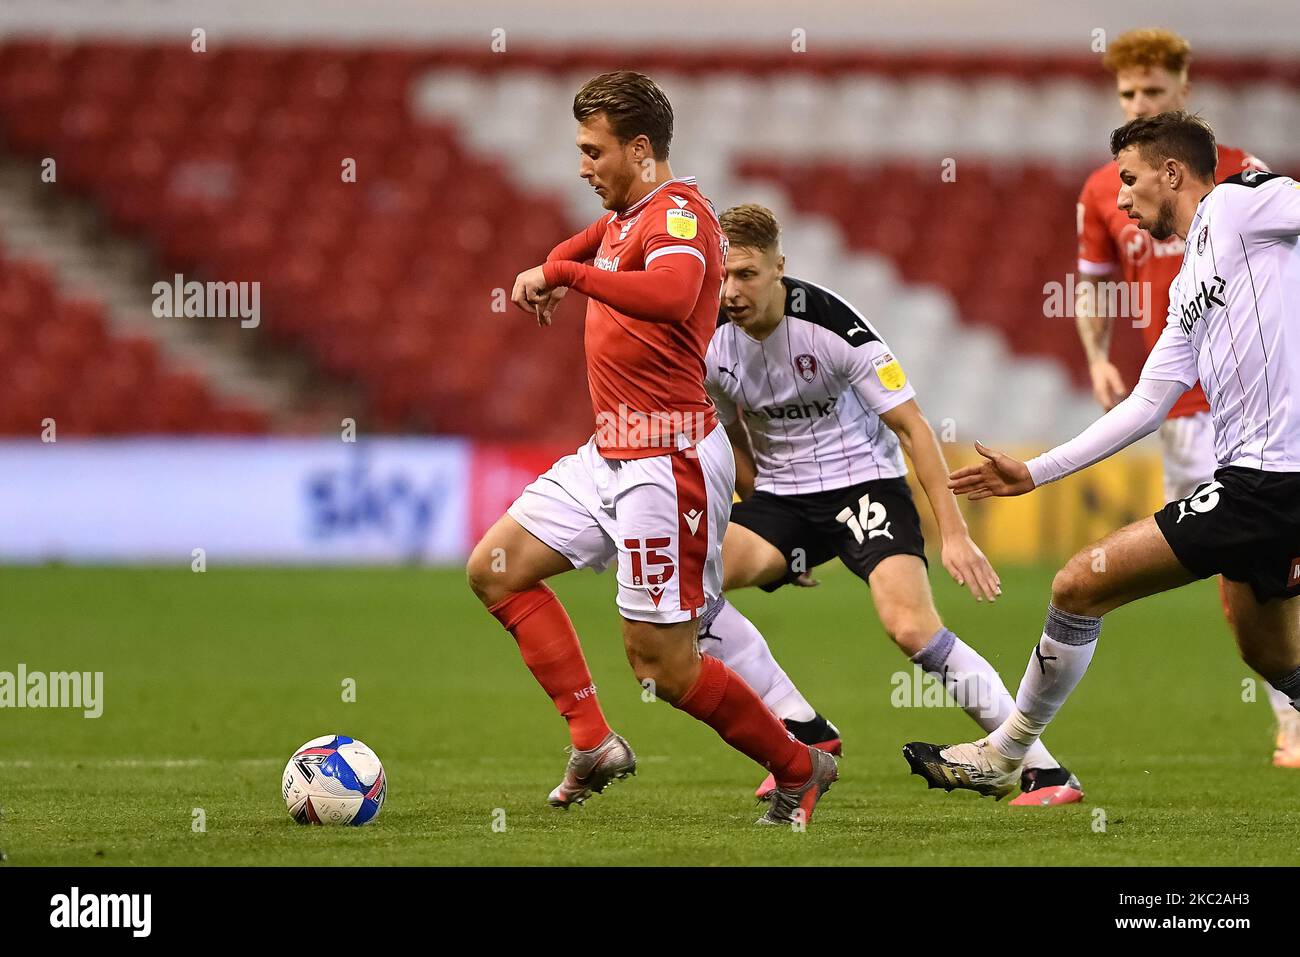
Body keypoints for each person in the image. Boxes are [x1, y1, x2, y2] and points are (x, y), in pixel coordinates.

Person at [466, 71, 836, 828]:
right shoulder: (627, 215)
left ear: (640, 149)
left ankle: (800, 766)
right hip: (610, 452)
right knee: (495, 570)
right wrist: (558, 263)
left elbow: (670, 295)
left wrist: (565, 275)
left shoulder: (679, 218)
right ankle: (593, 741)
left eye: (593, 151)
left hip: (667, 464)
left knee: (663, 665)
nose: (582, 166)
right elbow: (593, 242)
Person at [905, 112, 1300, 797]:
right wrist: (1034, 472)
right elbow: (1145, 405)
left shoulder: (1240, 203)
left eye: (1129, 179)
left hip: (1273, 479)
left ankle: (1008, 753)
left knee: (1077, 585)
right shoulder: (1189, 287)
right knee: (1264, 649)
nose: (1119, 199)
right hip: (1251, 481)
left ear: (1171, 172)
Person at [701, 203, 1082, 806]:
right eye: (722, 276)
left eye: (746, 274)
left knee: (911, 629)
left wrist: (953, 533)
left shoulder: (832, 326)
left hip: (864, 486)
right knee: (686, 586)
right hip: (782, 497)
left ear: (779, 267)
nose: (731, 292)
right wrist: (778, 541)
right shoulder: (710, 340)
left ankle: (1043, 769)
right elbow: (732, 437)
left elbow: (913, 428)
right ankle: (804, 730)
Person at [1073, 27, 1297, 765]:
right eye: (1127, 92)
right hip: (1180, 405)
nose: (1138, 101)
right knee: (1242, 579)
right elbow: (1094, 284)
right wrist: (1097, 356)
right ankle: (1290, 703)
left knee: (1256, 558)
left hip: (1263, 408)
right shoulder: (1106, 190)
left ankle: (1291, 720)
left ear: (1182, 92)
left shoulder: (1241, 180)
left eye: (1152, 91)